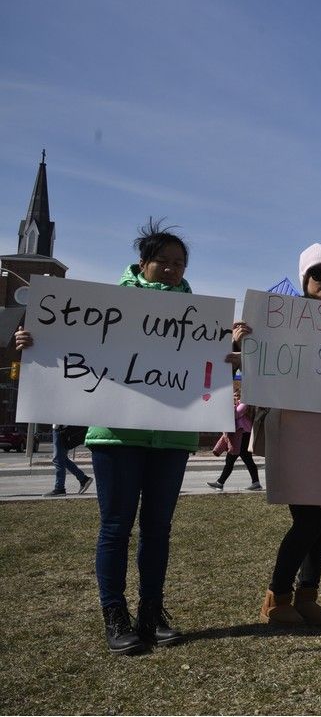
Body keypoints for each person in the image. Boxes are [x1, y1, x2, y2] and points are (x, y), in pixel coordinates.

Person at [16, 219, 201, 655]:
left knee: (158, 529)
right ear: (143, 263)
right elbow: (63, 342)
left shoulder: (196, 314)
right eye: (164, 262)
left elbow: (209, 365)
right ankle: (115, 615)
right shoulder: (108, 304)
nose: (173, 270)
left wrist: (234, 343)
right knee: (116, 528)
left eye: (180, 263)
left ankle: (151, 614)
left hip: (172, 438)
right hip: (116, 435)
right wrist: (31, 340)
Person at [239, 244, 321, 626]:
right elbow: (254, 362)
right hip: (294, 425)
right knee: (307, 519)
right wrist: (243, 342)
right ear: (304, 278)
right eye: (318, 274)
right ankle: (277, 597)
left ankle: (307, 594)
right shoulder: (278, 319)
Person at [207, 382, 262, 491]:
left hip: (243, 434)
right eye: (234, 396)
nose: (235, 398)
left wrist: (229, 406)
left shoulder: (244, 403)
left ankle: (220, 482)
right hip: (240, 435)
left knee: (233, 459)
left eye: (237, 396)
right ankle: (255, 483)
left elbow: (236, 414)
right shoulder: (239, 403)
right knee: (243, 459)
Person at [46, 424, 93, 497]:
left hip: (60, 429)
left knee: (58, 460)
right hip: (62, 430)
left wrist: (56, 426)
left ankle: (59, 488)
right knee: (63, 459)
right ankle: (83, 479)